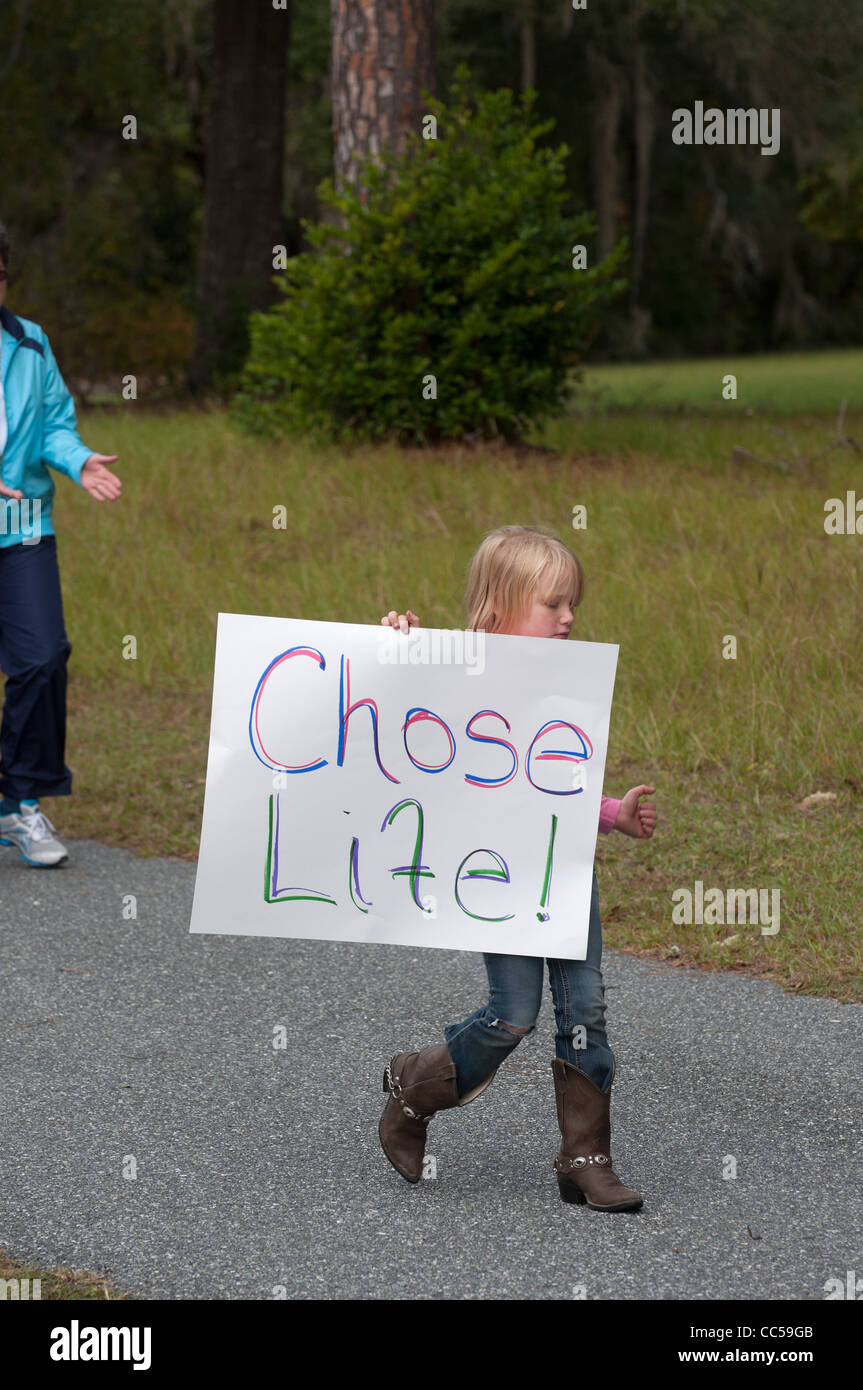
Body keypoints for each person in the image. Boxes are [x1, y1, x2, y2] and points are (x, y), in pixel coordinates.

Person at [378, 525, 657, 1212]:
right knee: (512, 1017)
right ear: (498, 605)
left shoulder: (562, 684)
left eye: (572, 605)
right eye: (553, 605)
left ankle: (585, 1156)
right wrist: (395, 643)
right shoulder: (455, 670)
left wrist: (611, 812)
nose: (569, 618)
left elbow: (555, 777)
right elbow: (394, 713)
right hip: (493, 873)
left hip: (561, 869)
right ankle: (412, 1089)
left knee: (584, 1008)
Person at [0, 219, 122, 866]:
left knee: (42, 658)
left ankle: (19, 802)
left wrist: (77, 463)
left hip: (22, 533)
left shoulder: (28, 342)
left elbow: (52, 425)